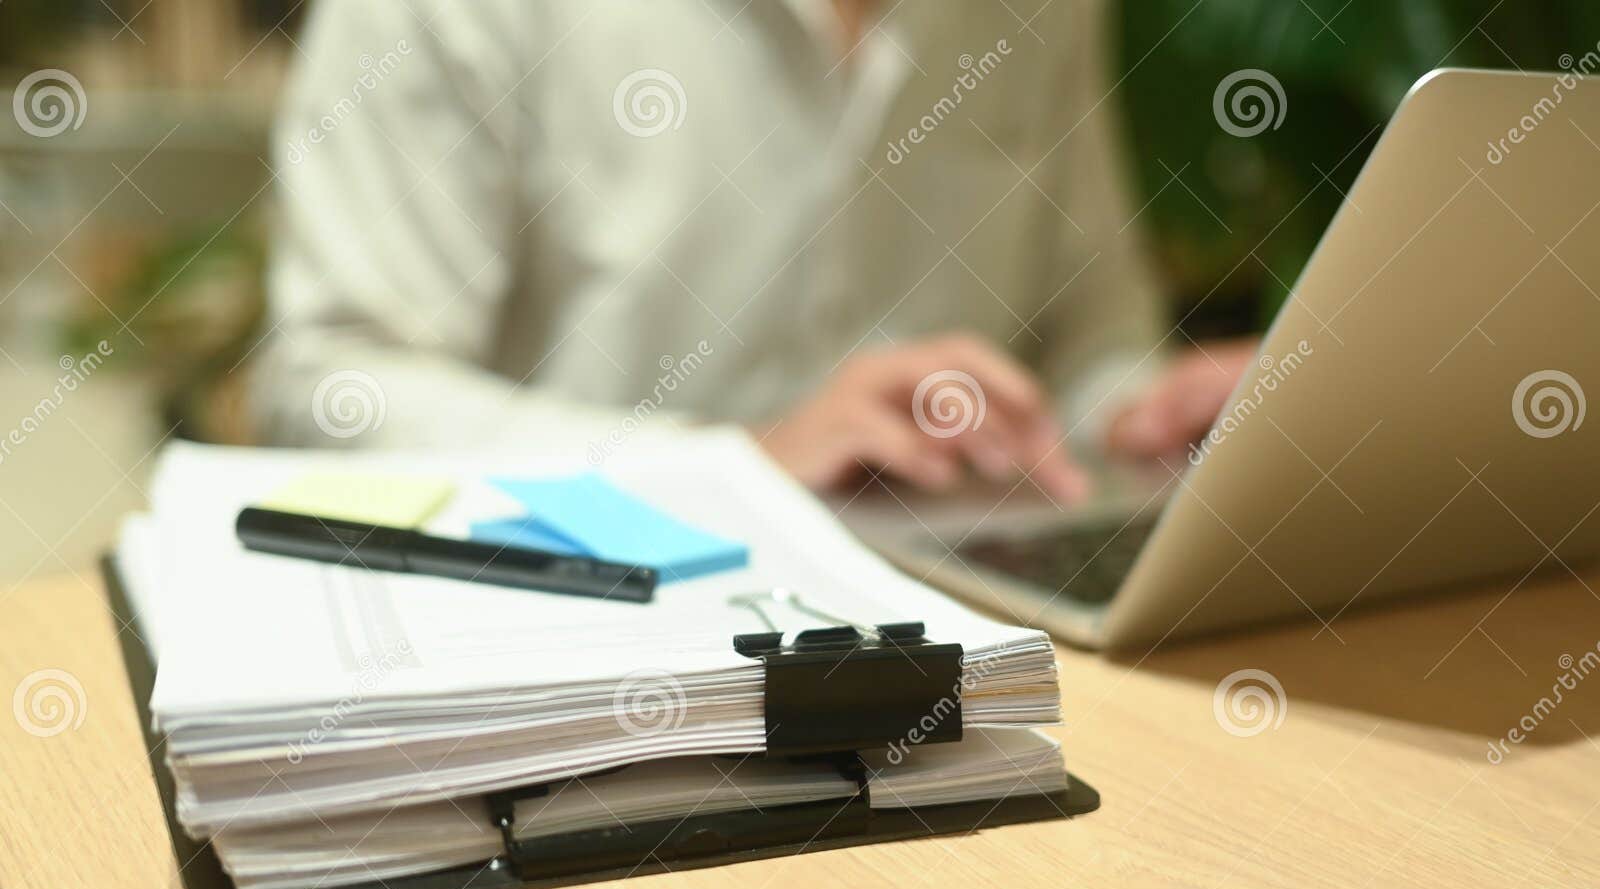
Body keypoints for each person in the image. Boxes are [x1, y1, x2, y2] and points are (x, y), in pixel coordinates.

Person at [254, 0, 1254, 499]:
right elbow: (330, 386)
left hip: (980, 654)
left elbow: (1087, 336)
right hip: (586, 665)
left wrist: (1147, 416)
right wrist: (729, 469)